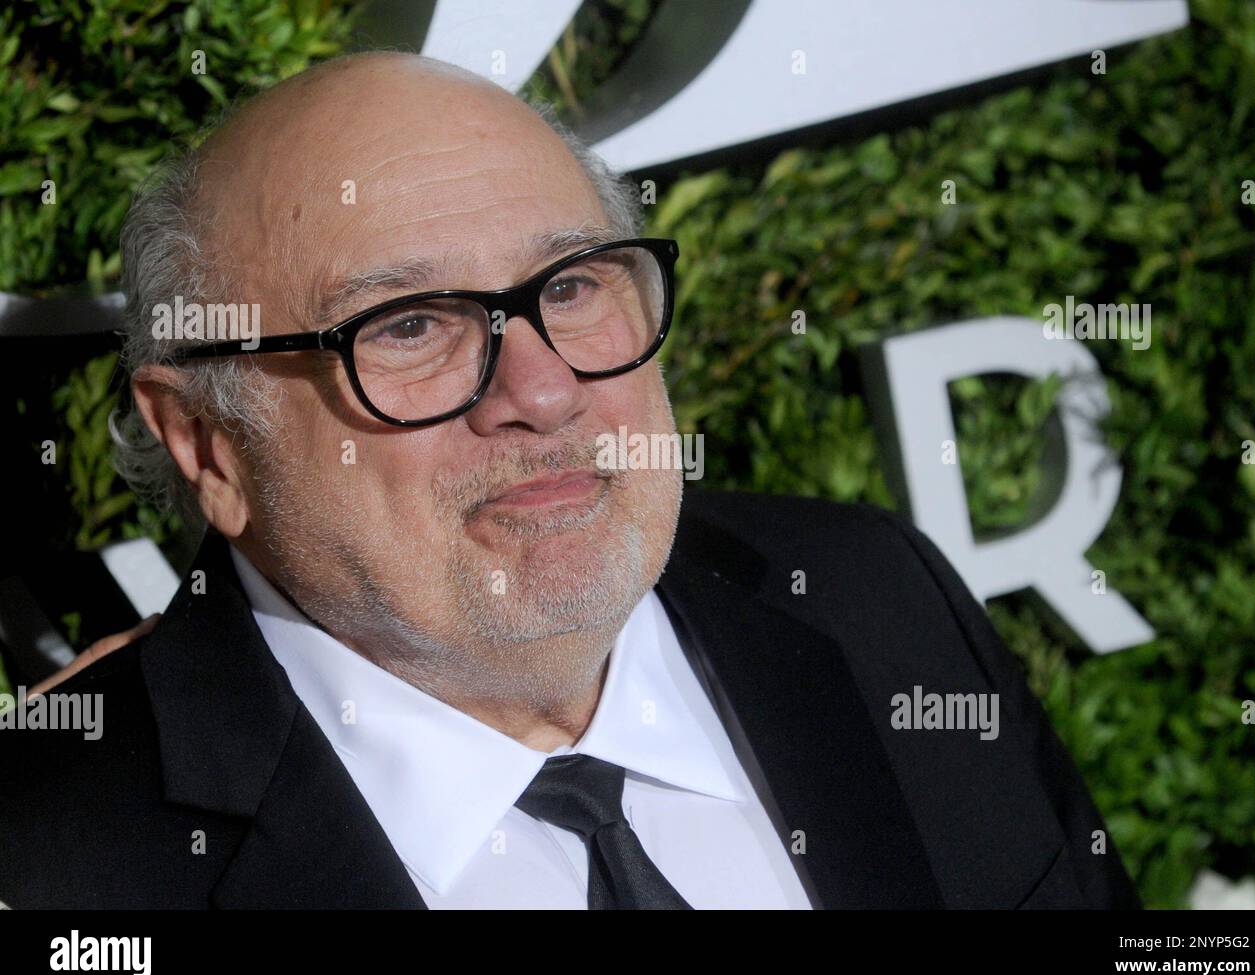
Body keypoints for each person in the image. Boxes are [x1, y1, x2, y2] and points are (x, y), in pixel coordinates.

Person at [0, 52, 1139, 909]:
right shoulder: (53, 866)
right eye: (406, 325)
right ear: (208, 443)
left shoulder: (870, 591)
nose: (542, 392)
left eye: (574, 285)